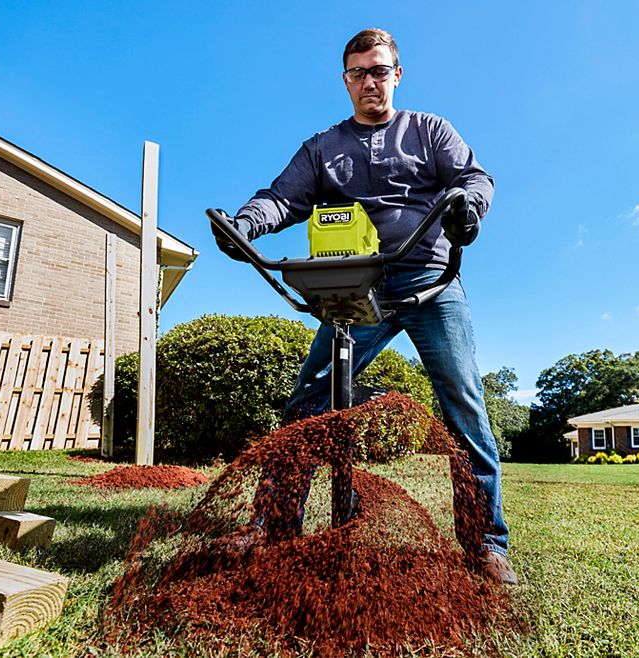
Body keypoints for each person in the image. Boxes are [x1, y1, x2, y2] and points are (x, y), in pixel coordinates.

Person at [212, 28, 516, 585]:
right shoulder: (324, 148)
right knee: (309, 399)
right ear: (345, 80)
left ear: (397, 74)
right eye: (359, 73)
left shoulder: (428, 131)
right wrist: (245, 226)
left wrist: (468, 207)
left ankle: (485, 544)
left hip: (429, 279)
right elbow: (283, 198)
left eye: (380, 70)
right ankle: (272, 523)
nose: (370, 82)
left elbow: (473, 178)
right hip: (356, 283)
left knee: (463, 404)